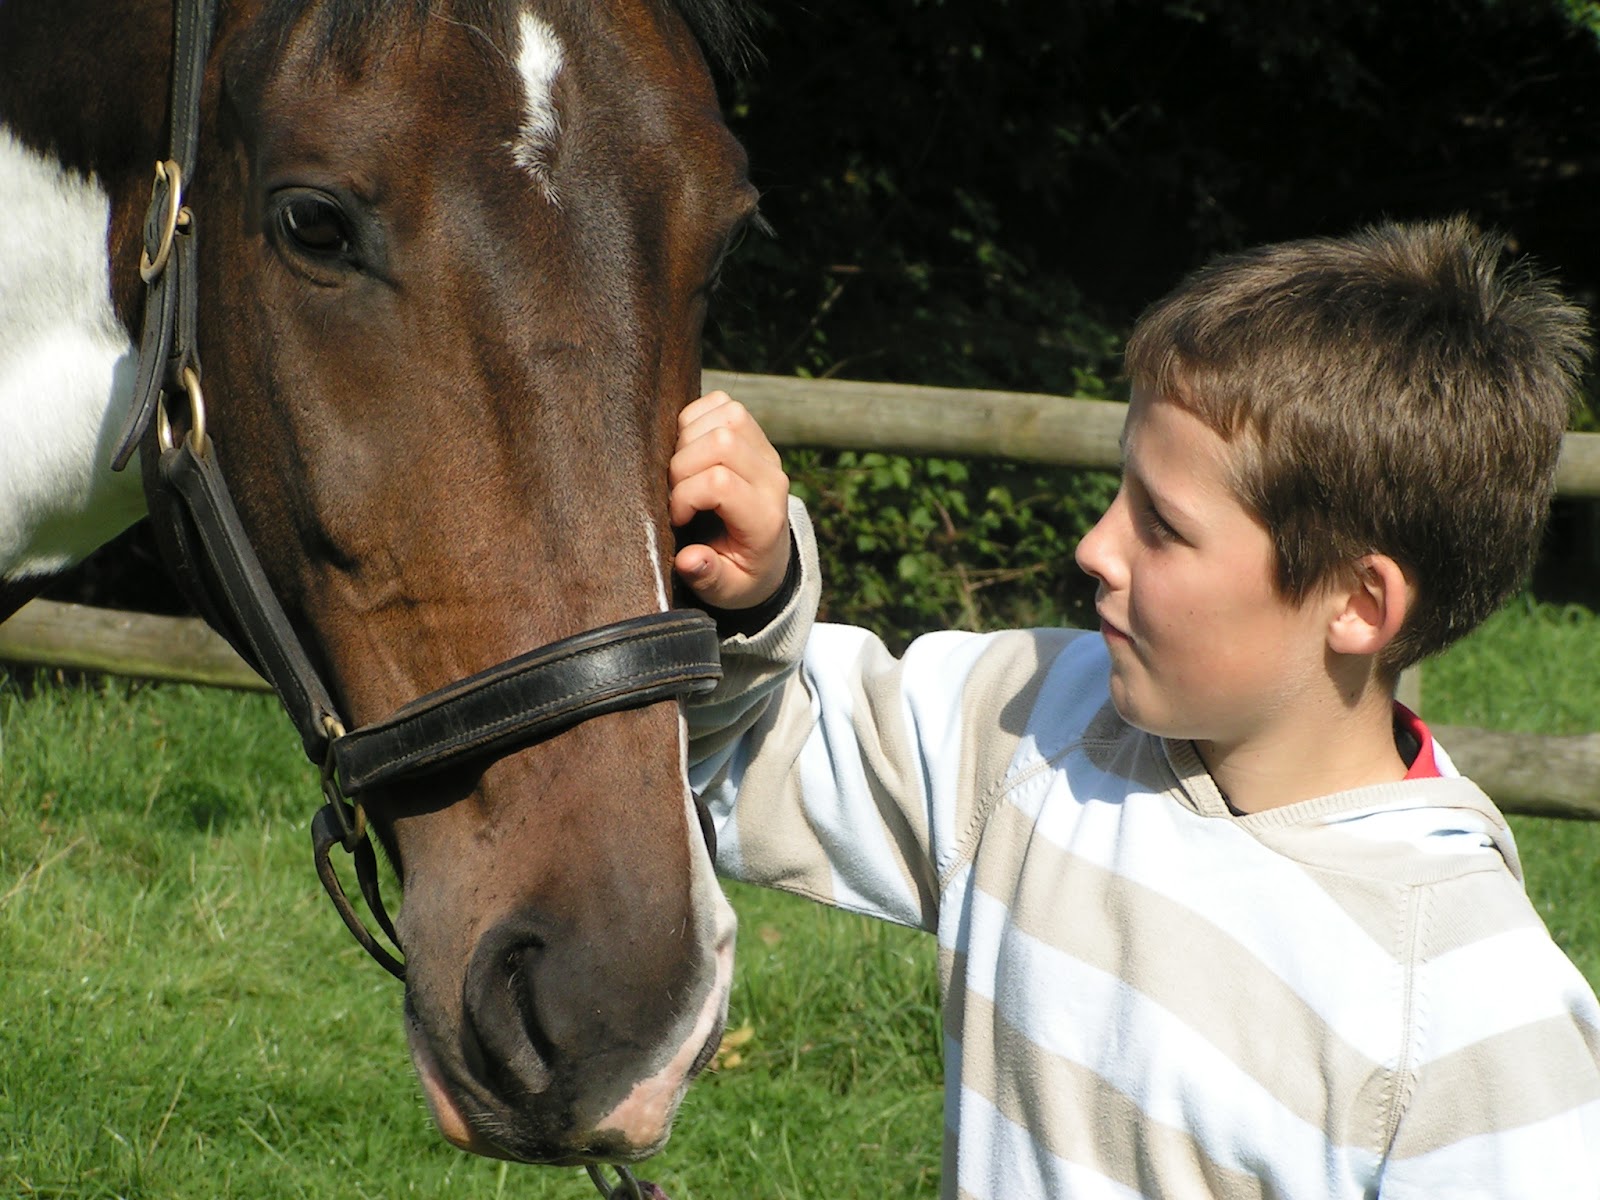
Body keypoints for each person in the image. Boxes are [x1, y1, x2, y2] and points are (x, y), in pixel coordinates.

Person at [667, 217, 1600, 1198]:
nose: (1094, 546)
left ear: (1356, 606)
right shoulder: (1031, 726)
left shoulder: (1470, 1018)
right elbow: (733, 757)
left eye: (1161, 525)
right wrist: (759, 595)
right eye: (1121, 489)